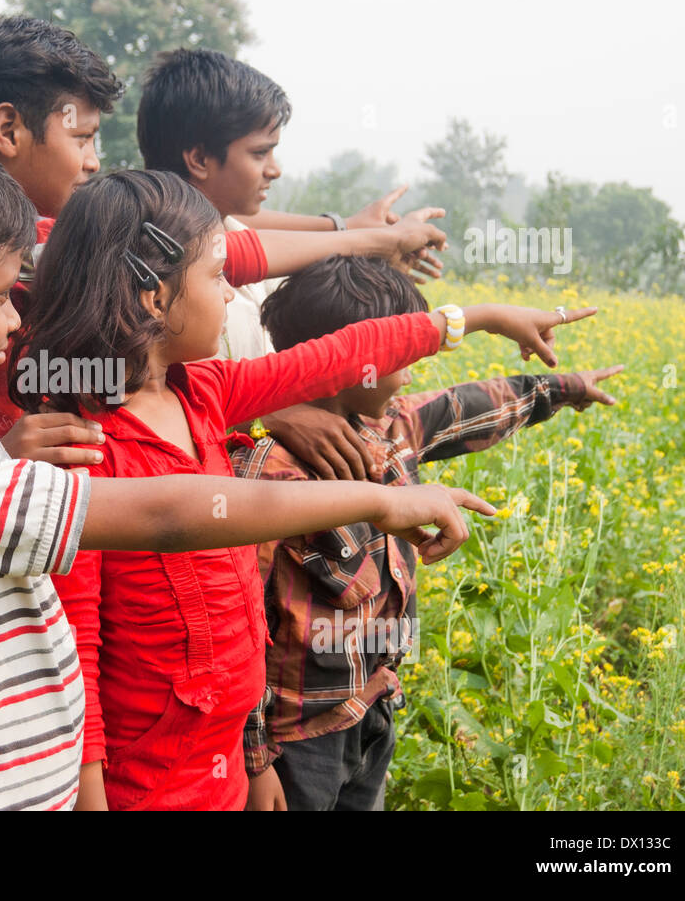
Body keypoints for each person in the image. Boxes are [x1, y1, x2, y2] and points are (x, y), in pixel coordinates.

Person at [0, 128, 494, 809]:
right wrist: (375, 501)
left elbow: (329, 358)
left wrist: (469, 321)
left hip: (208, 766)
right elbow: (166, 518)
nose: (14, 319)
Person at [10, 168, 588, 810]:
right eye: (216, 277)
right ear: (153, 298)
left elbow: (342, 351)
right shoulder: (81, 449)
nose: (231, 297)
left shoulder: (204, 392)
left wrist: (476, 318)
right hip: (143, 785)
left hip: (222, 764)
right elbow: (76, 654)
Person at [237, 255, 619, 810]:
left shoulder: (391, 426)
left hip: (372, 707)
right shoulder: (269, 470)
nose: (414, 372)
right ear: (353, 363)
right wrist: (255, 760)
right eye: (403, 357)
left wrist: (564, 388)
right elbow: (241, 624)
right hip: (297, 742)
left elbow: (471, 407)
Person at [137, 46, 446, 480]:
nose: (275, 170)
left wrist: (352, 233)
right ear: (201, 159)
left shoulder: (232, 235)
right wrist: (270, 414)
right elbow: (150, 397)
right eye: (260, 153)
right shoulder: (149, 259)